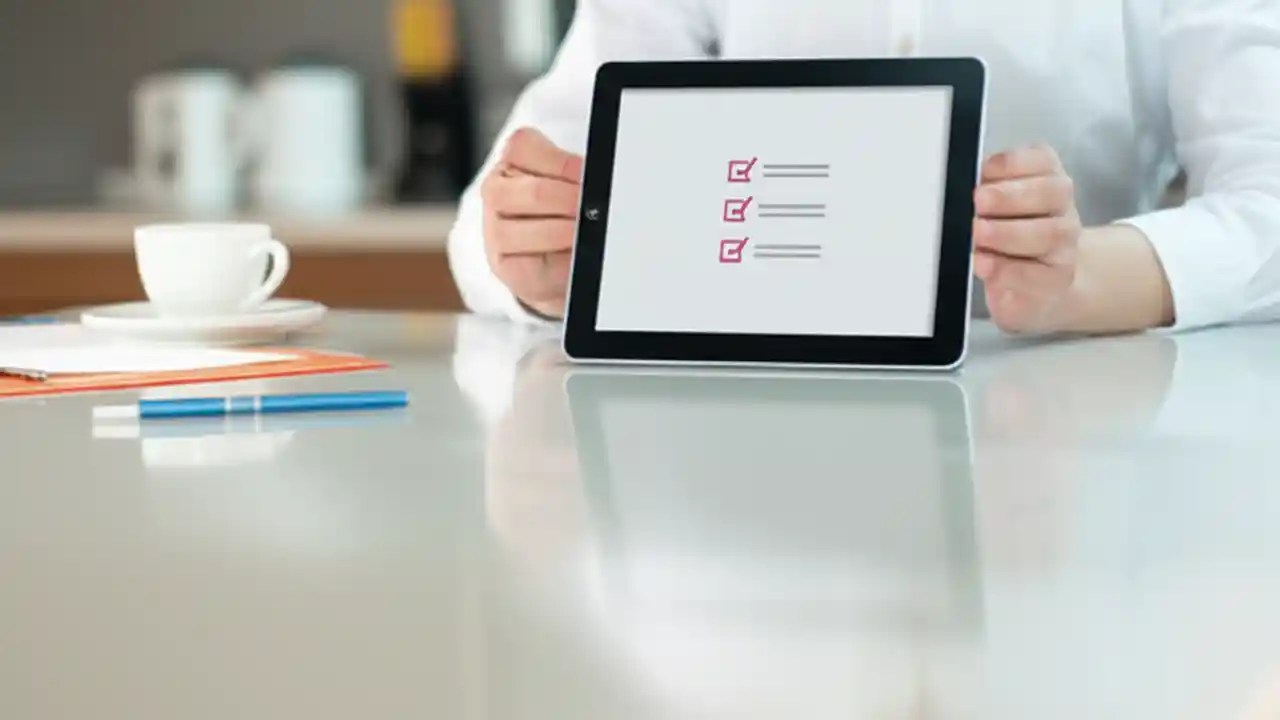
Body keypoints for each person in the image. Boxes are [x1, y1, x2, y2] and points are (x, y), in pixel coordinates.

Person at [448, 0, 1280, 335]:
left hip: (1081, 449)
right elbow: (501, 208)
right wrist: (542, 268)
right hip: (740, 438)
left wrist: (1086, 278)